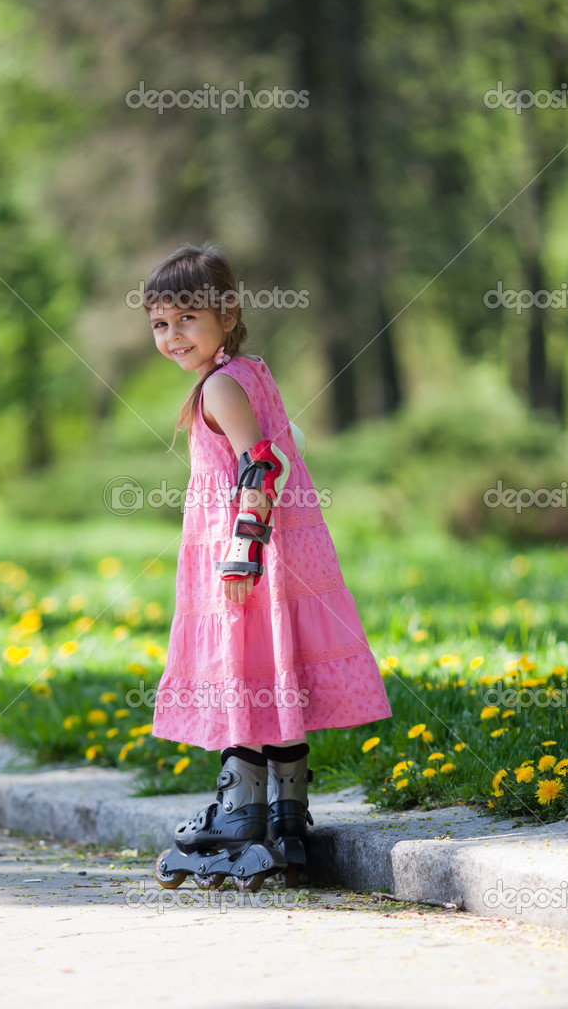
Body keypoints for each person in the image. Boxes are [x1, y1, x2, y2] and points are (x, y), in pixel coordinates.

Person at [144, 243, 392, 891]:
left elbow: (262, 462)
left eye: (187, 320)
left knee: (242, 672)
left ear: (227, 315)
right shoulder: (251, 371)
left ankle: (240, 810)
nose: (172, 336)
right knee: (270, 673)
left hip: (245, 556)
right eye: (160, 324)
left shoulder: (220, 386)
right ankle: (286, 815)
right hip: (281, 550)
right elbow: (289, 445)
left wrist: (242, 548)